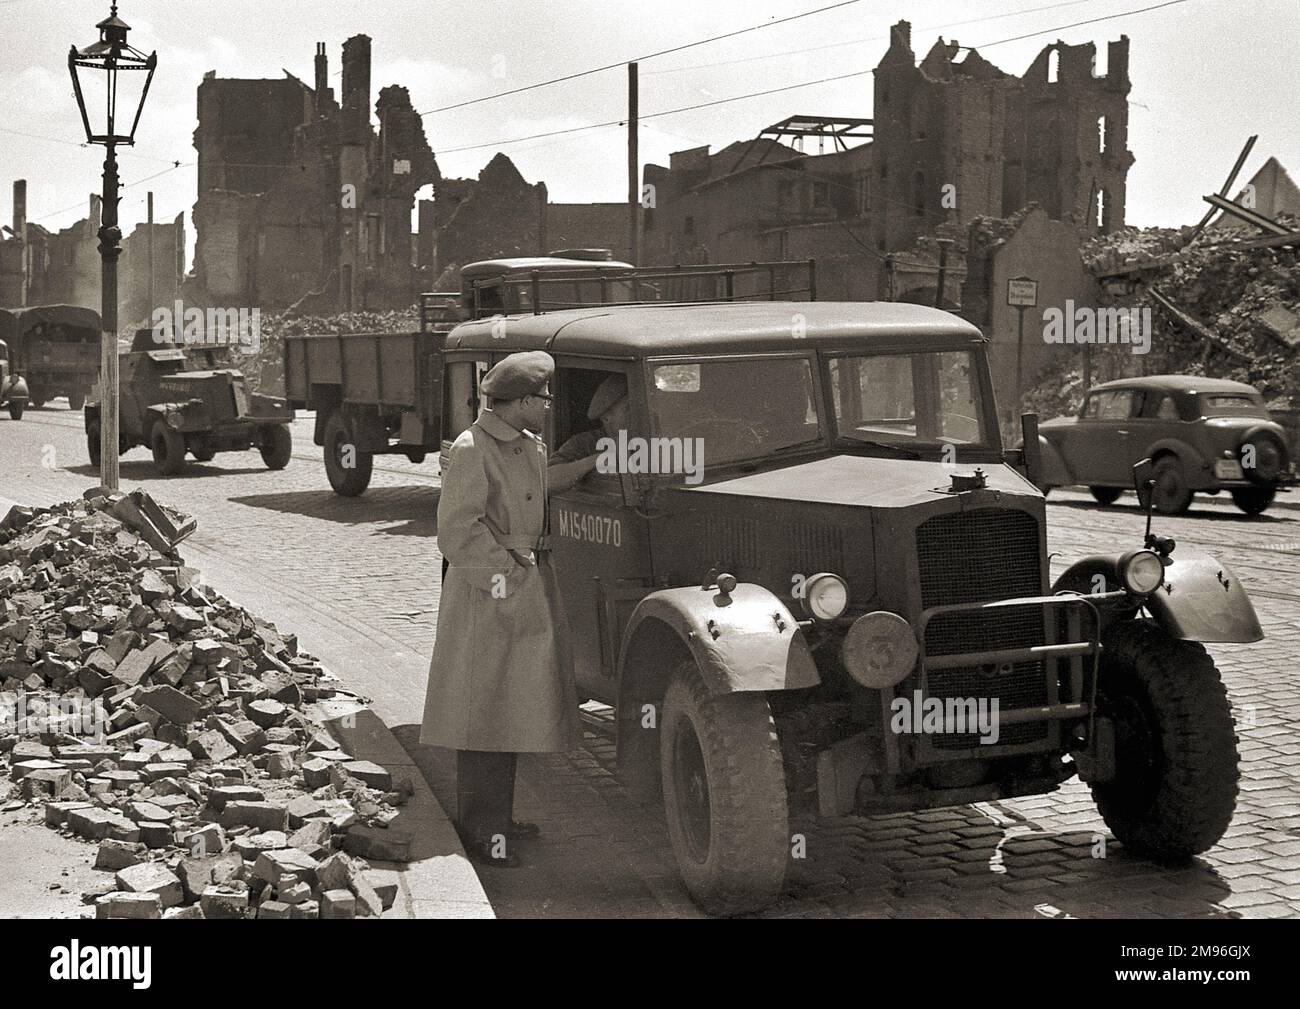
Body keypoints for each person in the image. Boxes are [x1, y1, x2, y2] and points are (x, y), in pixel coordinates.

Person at [420, 350, 579, 868]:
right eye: (543, 396)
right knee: (482, 709)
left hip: (518, 584)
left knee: (507, 707)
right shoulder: (473, 448)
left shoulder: (527, 444)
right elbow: (458, 531)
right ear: (519, 401)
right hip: (487, 594)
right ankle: (481, 831)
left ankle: (498, 821)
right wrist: (506, 579)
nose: (550, 404)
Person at [546, 373, 629, 492]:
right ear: (606, 418)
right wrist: (602, 458)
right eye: (628, 409)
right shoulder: (586, 443)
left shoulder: (655, 437)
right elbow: (548, 481)